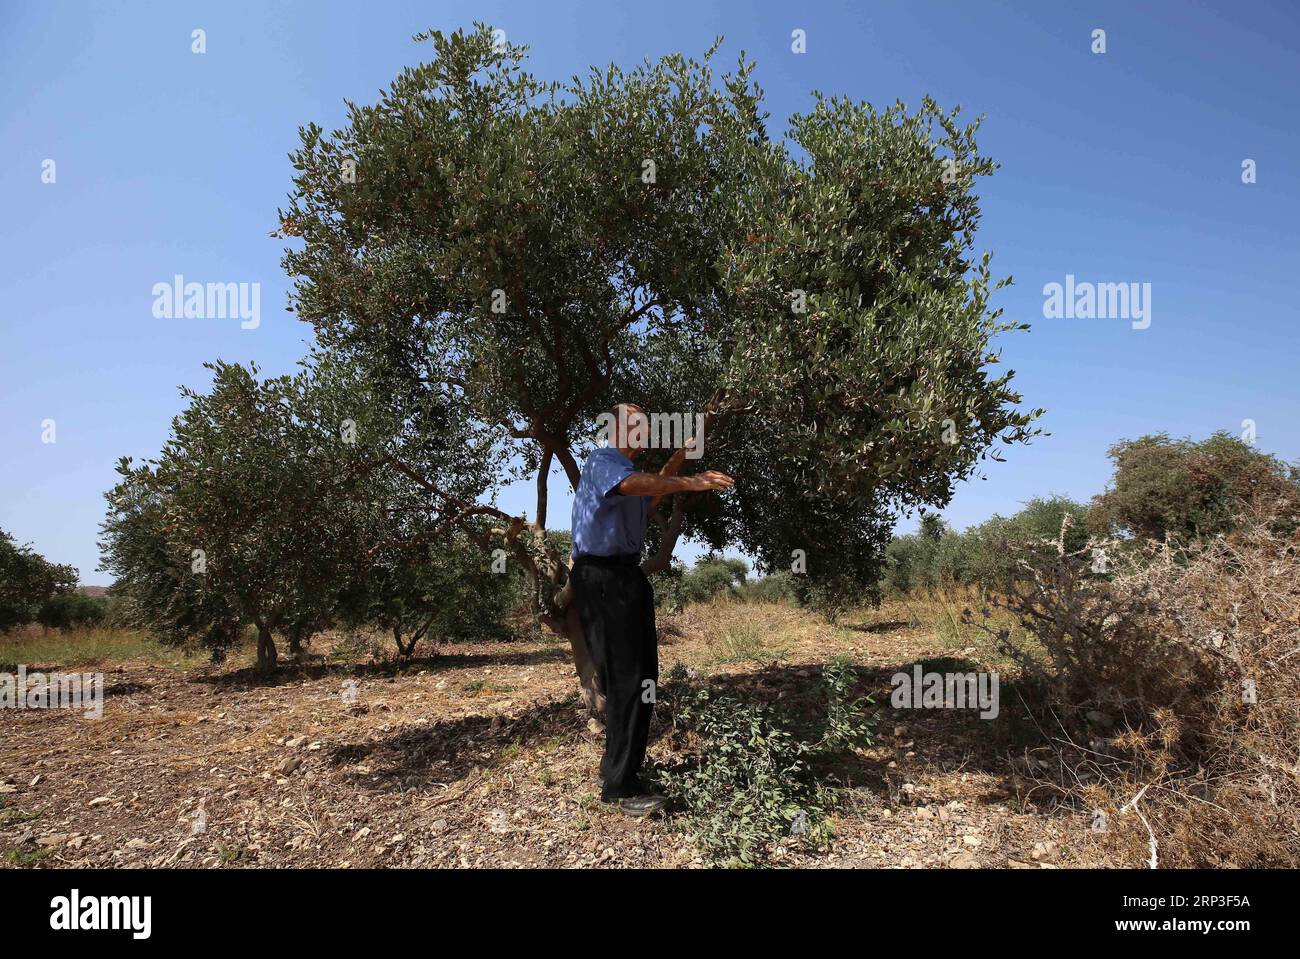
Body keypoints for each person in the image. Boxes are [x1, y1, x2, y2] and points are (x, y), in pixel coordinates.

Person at [569, 403, 734, 816]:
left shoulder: (630, 476)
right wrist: (693, 480)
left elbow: (652, 491)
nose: (644, 429)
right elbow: (633, 486)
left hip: (625, 578)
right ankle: (618, 789)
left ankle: (626, 774)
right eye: (638, 424)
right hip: (602, 579)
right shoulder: (604, 461)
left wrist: (680, 456)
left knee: (643, 677)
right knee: (626, 679)